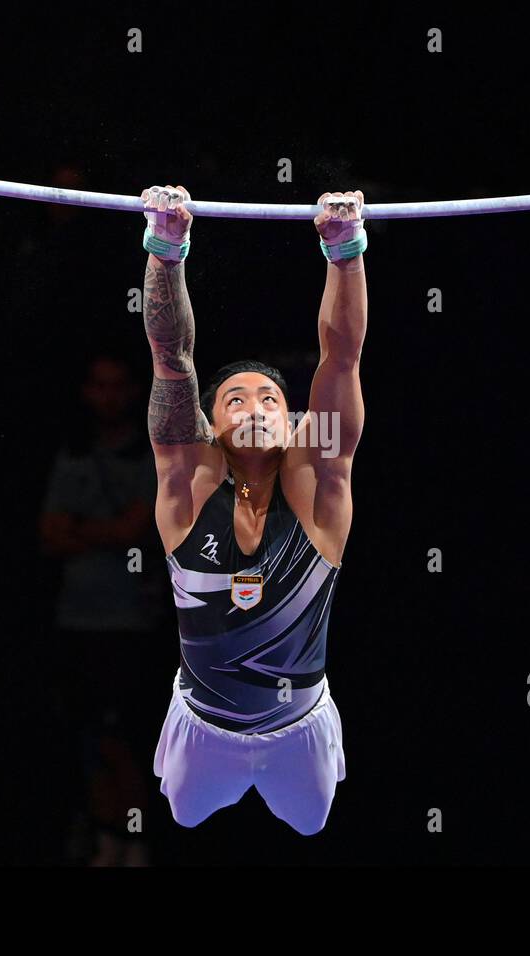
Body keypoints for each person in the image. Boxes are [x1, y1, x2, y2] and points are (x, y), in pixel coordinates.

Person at [142, 184, 365, 835]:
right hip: (202, 728)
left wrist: (344, 250)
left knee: (312, 825)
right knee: (183, 817)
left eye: (269, 397)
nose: (257, 406)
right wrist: (167, 246)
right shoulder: (187, 487)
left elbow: (342, 358)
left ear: (293, 420)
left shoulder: (319, 483)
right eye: (235, 399)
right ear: (209, 429)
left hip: (300, 730)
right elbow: (170, 358)